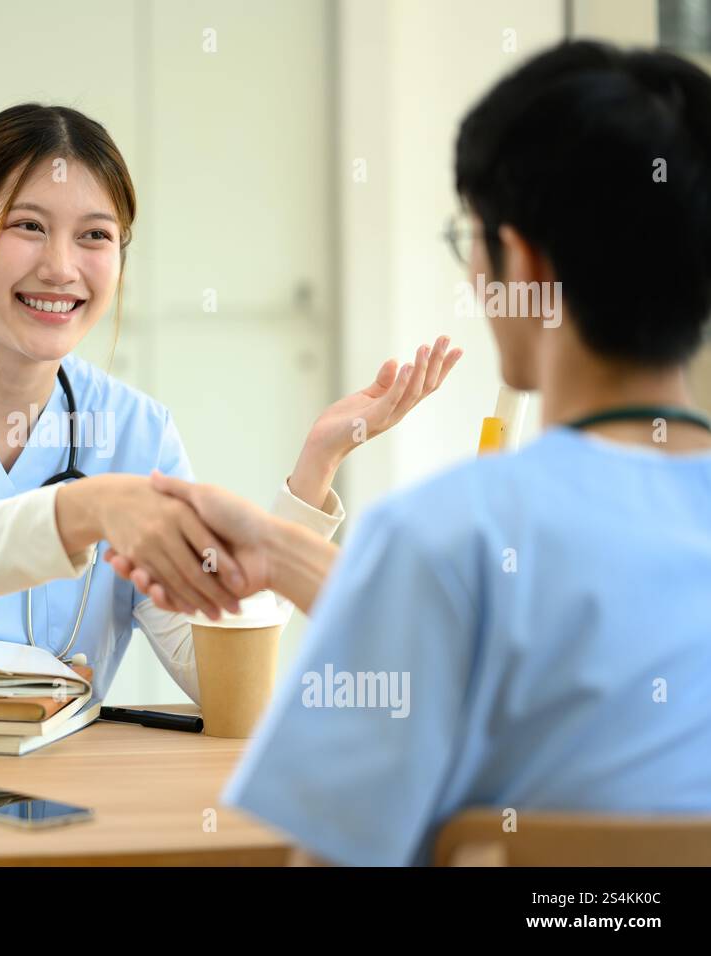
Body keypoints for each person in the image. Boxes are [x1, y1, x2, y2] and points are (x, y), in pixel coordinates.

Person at [107, 40, 711, 865]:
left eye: (470, 239)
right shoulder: (454, 542)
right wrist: (285, 551)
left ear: (521, 262)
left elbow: (330, 854)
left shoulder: (446, 535)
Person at [0, 103, 458, 715]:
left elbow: (214, 677)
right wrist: (88, 509)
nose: (60, 267)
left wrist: (314, 470)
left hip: (54, 795)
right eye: (28, 226)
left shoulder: (134, 431)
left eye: (95, 236)